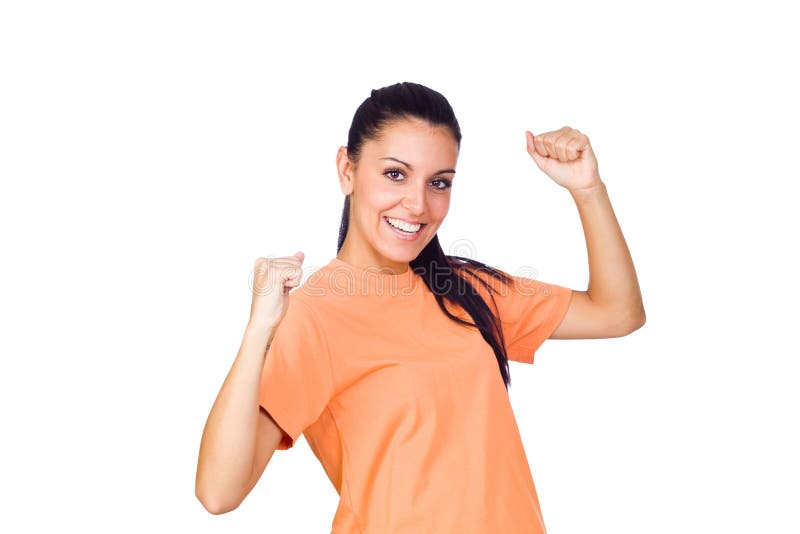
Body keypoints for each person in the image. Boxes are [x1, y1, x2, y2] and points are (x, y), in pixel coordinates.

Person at [195, 82, 646, 532]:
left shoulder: (463, 289)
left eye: (438, 183)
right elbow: (218, 493)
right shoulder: (313, 315)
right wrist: (258, 331)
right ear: (347, 170)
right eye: (395, 174)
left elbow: (618, 313)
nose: (417, 204)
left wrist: (588, 190)